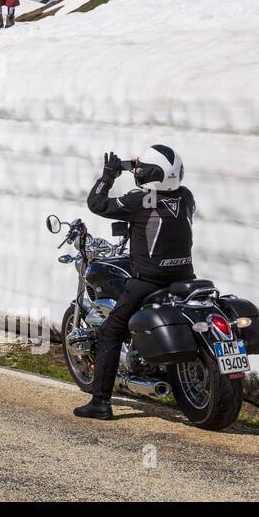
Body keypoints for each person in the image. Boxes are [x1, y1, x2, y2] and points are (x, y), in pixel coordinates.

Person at [74, 145, 196, 420]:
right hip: (185, 278)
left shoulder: (139, 201)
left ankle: (101, 402)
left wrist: (108, 176)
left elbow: (96, 203)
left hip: (149, 281)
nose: (137, 171)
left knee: (111, 331)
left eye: (142, 168)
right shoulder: (186, 197)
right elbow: (165, 199)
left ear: (151, 174)